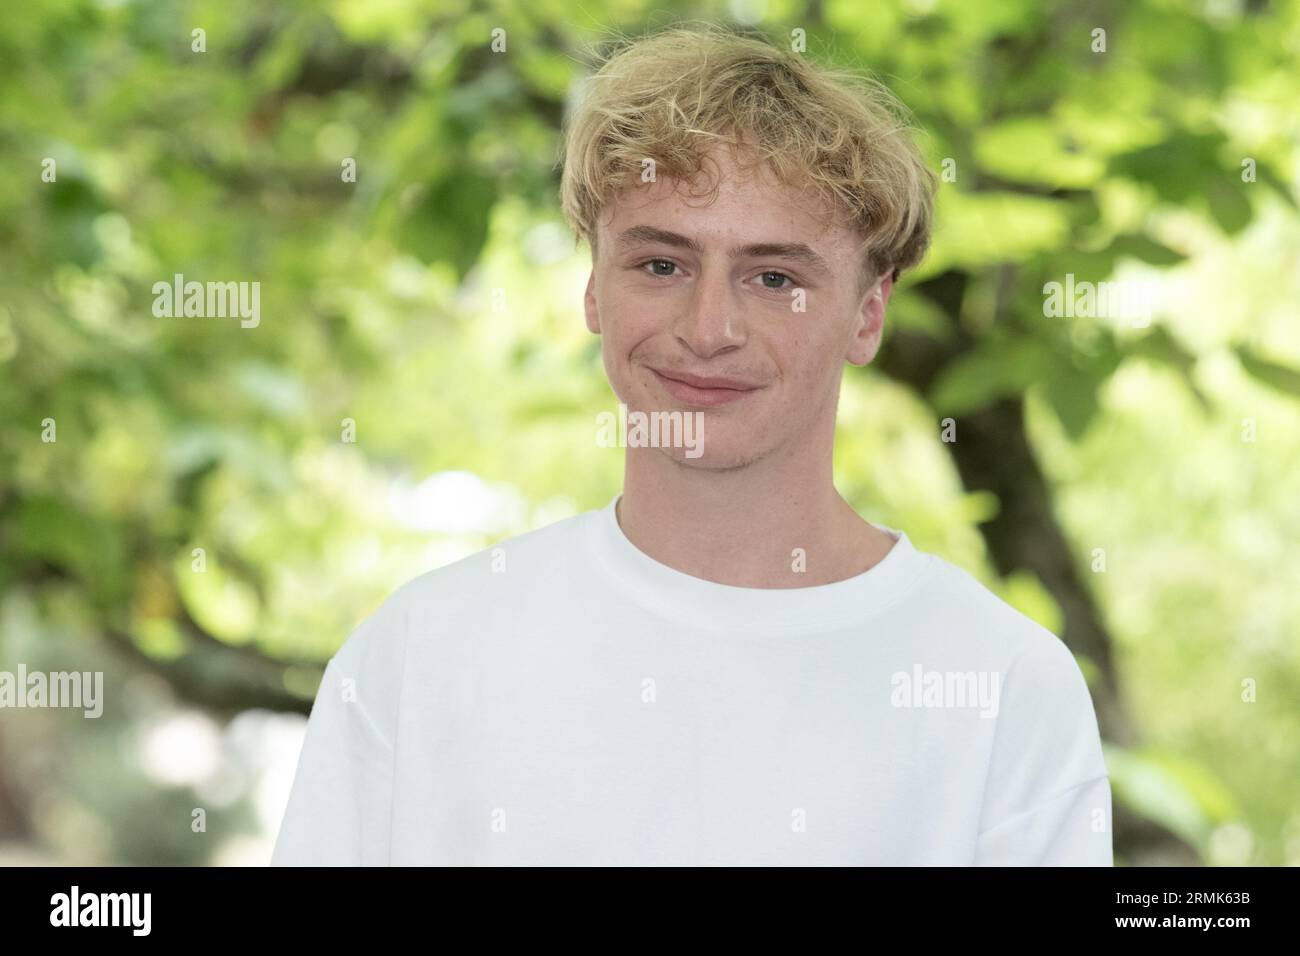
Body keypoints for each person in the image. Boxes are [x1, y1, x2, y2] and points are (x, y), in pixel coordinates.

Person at [271, 23, 1112, 866]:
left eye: (774, 277)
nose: (709, 330)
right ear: (594, 287)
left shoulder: (1003, 689)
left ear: (868, 312)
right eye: (662, 266)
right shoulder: (420, 656)